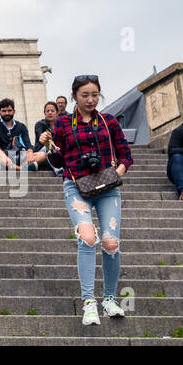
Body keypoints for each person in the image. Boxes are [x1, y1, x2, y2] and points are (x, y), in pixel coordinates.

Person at [48, 75, 133, 326]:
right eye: (85, 95)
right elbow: (58, 162)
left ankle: (109, 299)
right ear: (74, 96)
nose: (90, 100)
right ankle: (89, 302)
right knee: (87, 237)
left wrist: (117, 173)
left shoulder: (108, 122)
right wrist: (50, 148)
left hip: (107, 186)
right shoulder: (63, 123)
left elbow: (125, 154)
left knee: (110, 242)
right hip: (76, 186)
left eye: (94, 94)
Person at [0, 98, 34, 170]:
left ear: (14, 112)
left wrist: (30, 152)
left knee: (42, 155)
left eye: (9, 111)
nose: (7, 113)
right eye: (4, 111)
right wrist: (4, 157)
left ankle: (9, 167)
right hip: (3, 157)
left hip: (19, 156)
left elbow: (28, 144)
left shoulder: (21, 126)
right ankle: (18, 168)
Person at [32, 102, 62, 175]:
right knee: (49, 145)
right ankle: (59, 171)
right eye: (47, 111)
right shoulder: (40, 124)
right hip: (42, 149)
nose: (50, 113)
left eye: (52, 111)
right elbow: (41, 137)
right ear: (44, 113)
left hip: (57, 150)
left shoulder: (60, 125)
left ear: (57, 112)